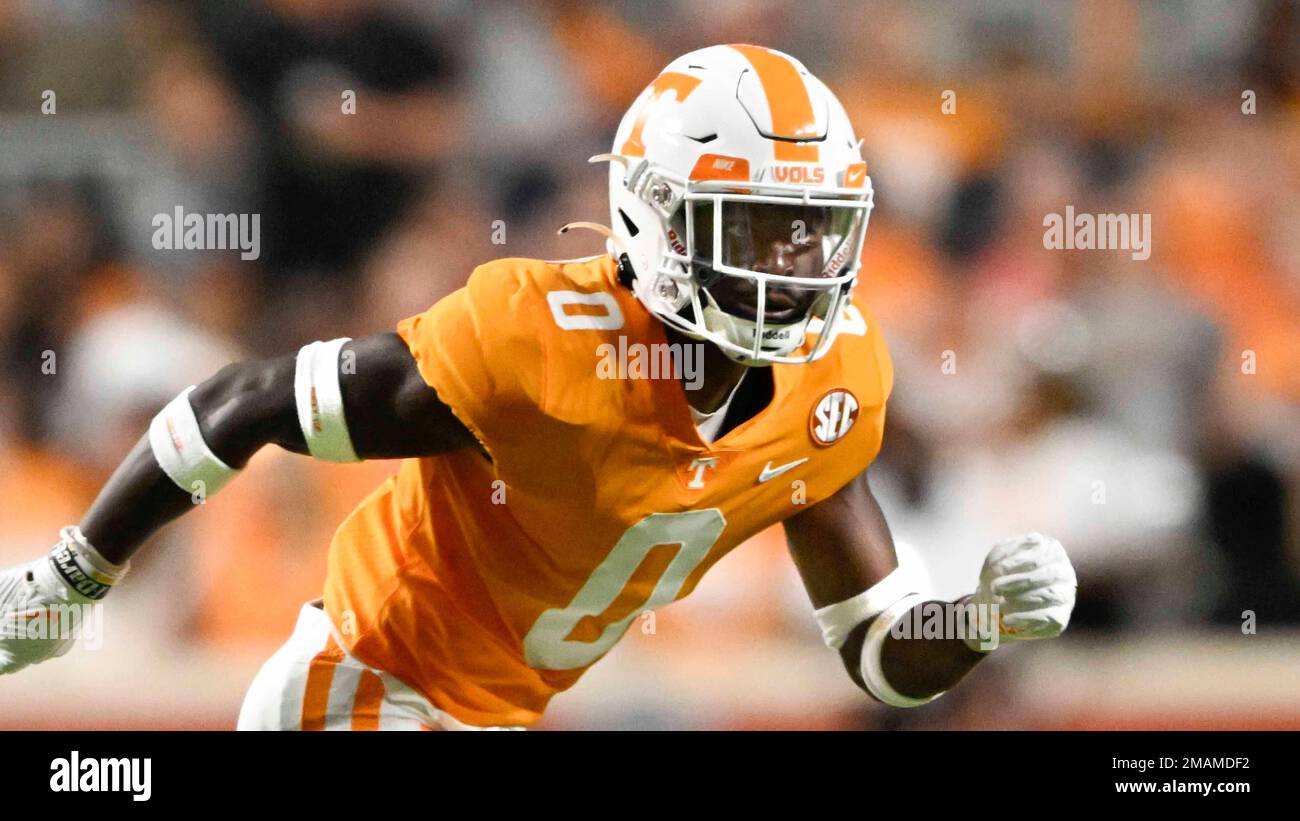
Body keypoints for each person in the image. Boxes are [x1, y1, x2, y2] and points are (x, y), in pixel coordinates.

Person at [0, 45, 1076, 730]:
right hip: (365, 691)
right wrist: (72, 578)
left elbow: (881, 657)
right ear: (656, 215)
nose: (788, 265)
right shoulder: (532, 340)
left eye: (811, 233)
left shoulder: (836, 384)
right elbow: (244, 401)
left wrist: (976, 617)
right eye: (751, 227)